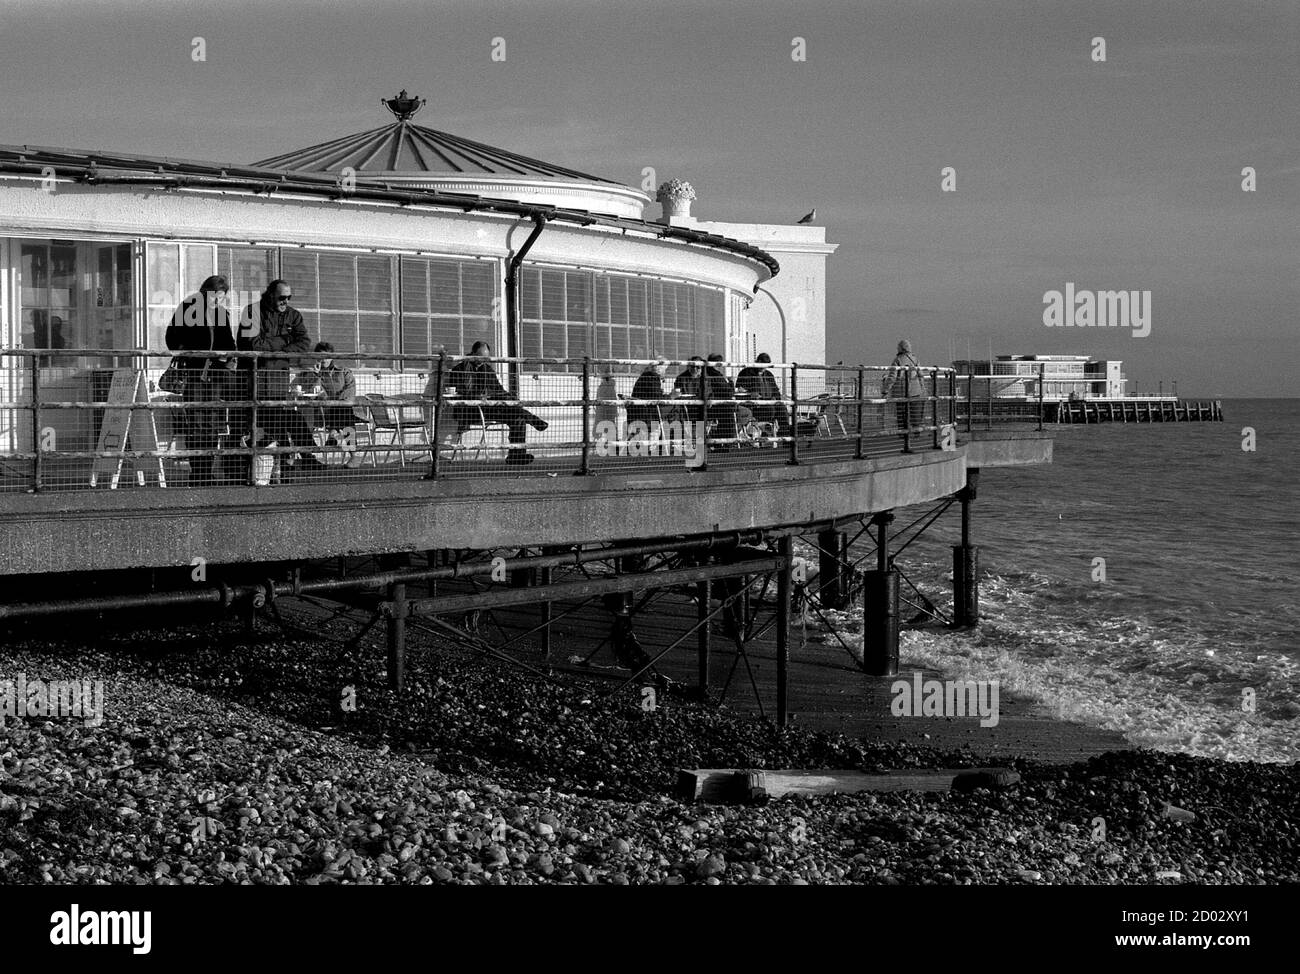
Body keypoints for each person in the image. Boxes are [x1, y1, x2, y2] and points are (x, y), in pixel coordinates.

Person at [164, 275, 238, 486]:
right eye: (214, 297)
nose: (216, 302)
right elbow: (172, 337)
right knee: (196, 422)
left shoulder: (222, 314)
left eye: (221, 298)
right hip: (195, 373)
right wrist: (187, 352)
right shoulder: (188, 307)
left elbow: (229, 343)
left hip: (215, 374)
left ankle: (206, 469)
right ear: (205, 292)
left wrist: (228, 356)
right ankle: (198, 471)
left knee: (212, 423)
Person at [238, 280, 314, 468]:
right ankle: (246, 470)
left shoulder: (293, 316)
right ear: (270, 294)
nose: (285, 301)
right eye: (282, 297)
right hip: (254, 381)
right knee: (252, 426)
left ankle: (279, 469)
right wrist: (285, 342)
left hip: (278, 381)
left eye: (289, 297)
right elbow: (254, 344)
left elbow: (304, 342)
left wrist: (273, 345)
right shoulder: (252, 312)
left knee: (277, 424)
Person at [444, 341, 547, 465]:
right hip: (470, 410)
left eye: (486, 358)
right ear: (473, 353)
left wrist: (507, 397)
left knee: (517, 417)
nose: (483, 360)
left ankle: (516, 455)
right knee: (513, 410)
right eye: (480, 356)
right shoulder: (459, 369)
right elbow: (457, 392)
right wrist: (478, 395)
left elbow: (498, 389)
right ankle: (533, 419)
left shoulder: (487, 369)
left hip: (489, 408)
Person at [736, 352, 792, 436]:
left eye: (766, 366)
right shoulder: (745, 373)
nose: (764, 368)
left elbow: (776, 391)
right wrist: (751, 394)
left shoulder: (769, 375)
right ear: (758, 361)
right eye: (763, 365)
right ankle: (774, 432)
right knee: (773, 409)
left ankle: (785, 434)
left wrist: (776, 398)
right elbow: (739, 391)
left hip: (769, 403)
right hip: (755, 406)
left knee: (782, 408)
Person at [883, 339, 925, 432]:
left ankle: (903, 433)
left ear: (900, 348)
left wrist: (885, 390)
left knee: (902, 414)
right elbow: (921, 375)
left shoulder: (898, 360)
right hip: (915, 390)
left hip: (901, 391)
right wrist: (922, 388)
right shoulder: (915, 359)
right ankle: (916, 432)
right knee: (915, 413)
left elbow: (892, 377)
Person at [627, 356, 669, 444]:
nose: (665, 372)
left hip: (637, 412)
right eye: (665, 369)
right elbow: (657, 399)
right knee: (673, 411)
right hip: (646, 413)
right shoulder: (653, 378)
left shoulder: (644, 376)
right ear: (660, 369)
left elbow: (653, 395)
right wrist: (671, 397)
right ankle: (671, 440)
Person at [705, 353, 739, 448]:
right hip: (716, 406)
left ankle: (723, 439)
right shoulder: (715, 375)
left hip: (717, 404)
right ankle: (725, 440)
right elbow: (726, 390)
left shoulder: (713, 374)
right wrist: (731, 383)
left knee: (732, 411)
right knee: (729, 412)